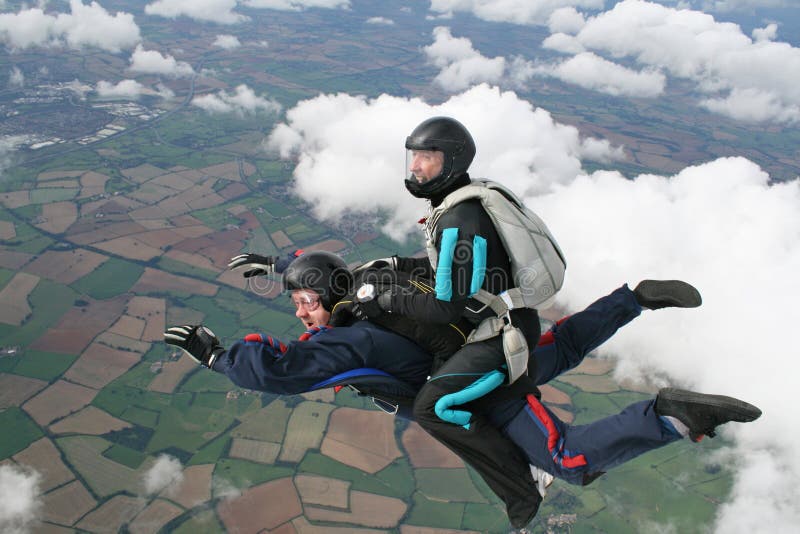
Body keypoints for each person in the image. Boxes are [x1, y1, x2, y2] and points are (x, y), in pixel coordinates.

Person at [165, 252, 762, 528]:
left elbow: (280, 370)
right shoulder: (373, 291)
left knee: (568, 460)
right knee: (561, 348)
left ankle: (669, 416)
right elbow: (332, 280)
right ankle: (633, 297)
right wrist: (286, 267)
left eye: (303, 302)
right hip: (490, 346)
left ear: (328, 296)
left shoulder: (348, 345)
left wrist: (217, 356)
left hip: (477, 392)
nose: (300, 315)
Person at [347, 116, 561, 522]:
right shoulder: (461, 204)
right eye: (414, 156)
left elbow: (446, 306)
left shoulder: (462, 221)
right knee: (435, 373)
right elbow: (452, 275)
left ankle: (523, 490)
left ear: (452, 161)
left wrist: (387, 298)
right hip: (496, 323)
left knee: (433, 407)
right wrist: (397, 266)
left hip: (500, 335)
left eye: (427, 157)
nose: (415, 166)